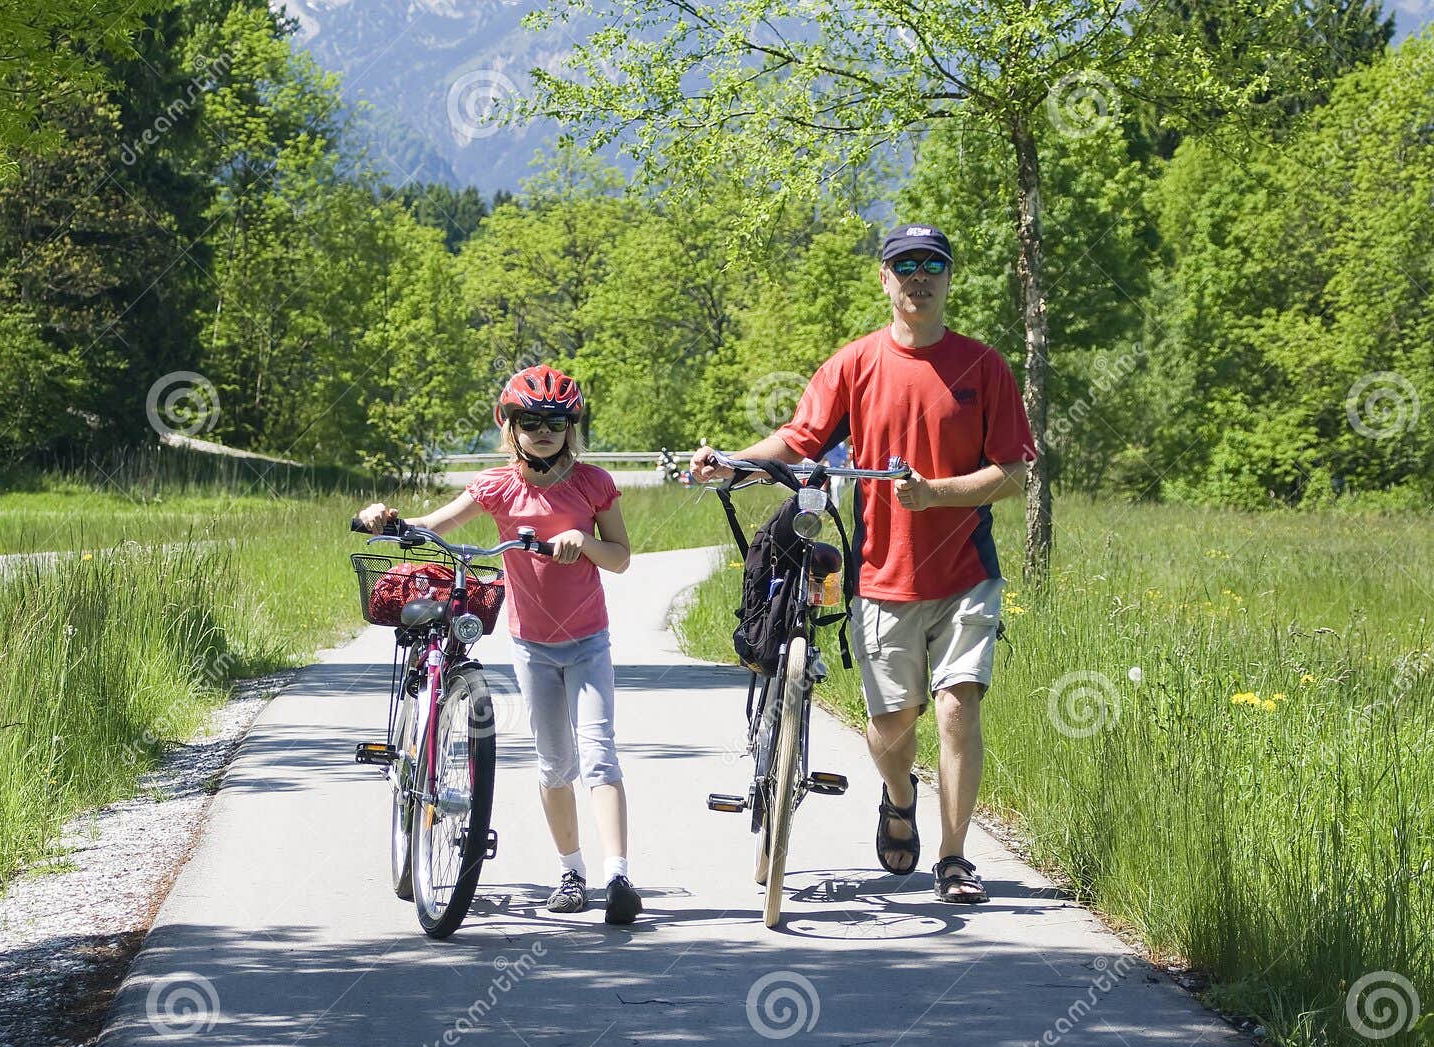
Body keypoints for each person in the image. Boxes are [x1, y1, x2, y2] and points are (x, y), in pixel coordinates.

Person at [691, 224, 1035, 904]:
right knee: (890, 726)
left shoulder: (984, 366)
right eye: (903, 265)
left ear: (948, 276)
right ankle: (900, 797)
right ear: (884, 279)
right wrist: (730, 460)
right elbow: (800, 439)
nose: (918, 276)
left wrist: (937, 494)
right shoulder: (854, 364)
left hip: (967, 572)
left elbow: (1015, 474)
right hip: (881, 573)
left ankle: (954, 857)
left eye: (932, 264)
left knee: (957, 707)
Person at [356, 366, 643, 924]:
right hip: (532, 646)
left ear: (571, 426)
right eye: (530, 421)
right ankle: (571, 871)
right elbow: (429, 523)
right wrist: (385, 519)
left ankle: (617, 877)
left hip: (588, 641)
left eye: (555, 422)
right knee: (555, 763)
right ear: (510, 426)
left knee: (599, 753)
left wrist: (582, 541)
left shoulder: (592, 484)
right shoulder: (498, 486)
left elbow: (621, 557)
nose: (543, 431)